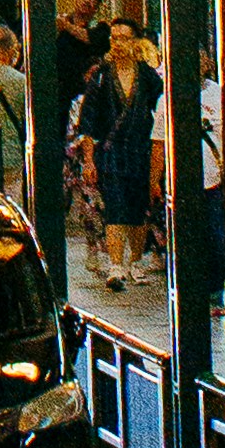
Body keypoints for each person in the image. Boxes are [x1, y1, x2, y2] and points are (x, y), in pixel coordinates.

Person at [86, 17, 166, 279]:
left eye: (123, 38)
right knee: (115, 208)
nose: (117, 43)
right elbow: (88, 122)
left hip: (141, 150)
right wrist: (89, 160)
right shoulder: (101, 76)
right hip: (111, 152)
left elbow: (161, 110)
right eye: (114, 38)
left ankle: (135, 261)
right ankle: (116, 265)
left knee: (138, 209)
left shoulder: (148, 76)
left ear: (135, 41)